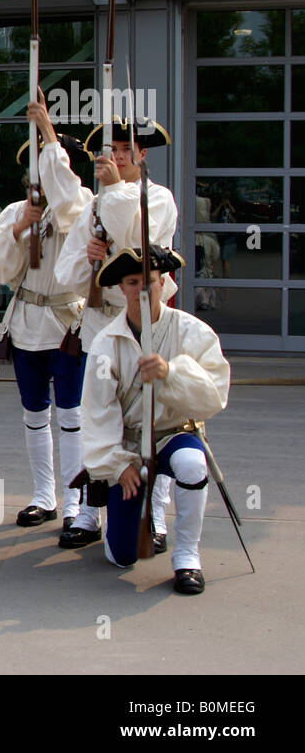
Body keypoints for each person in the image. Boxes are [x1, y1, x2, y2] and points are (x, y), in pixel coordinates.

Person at [56, 116, 177, 549]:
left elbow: (137, 243)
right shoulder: (95, 205)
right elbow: (64, 271)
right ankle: (88, 511)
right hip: (99, 322)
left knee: (152, 416)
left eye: (127, 150)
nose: (118, 157)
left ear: (142, 155)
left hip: (144, 319)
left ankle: (156, 516)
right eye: (113, 150)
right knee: (98, 411)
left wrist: (112, 192)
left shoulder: (158, 198)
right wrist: (89, 259)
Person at [80, 246, 229, 595]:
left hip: (173, 434)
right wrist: (117, 465)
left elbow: (214, 396)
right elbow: (96, 412)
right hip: (129, 445)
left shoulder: (191, 330)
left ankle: (188, 559)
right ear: (122, 289)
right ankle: (127, 520)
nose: (142, 290)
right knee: (122, 556)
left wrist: (171, 373)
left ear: (164, 283)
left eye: (149, 281)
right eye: (133, 282)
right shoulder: (106, 342)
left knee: (193, 465)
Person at [0, 97, 94, 533]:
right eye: (35, 171)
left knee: (71, 416)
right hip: (27, 323)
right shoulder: (17, 210)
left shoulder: (80, 206)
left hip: (67, 325)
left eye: (47, 168)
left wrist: (47, 131)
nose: (40, 179)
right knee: (33, 412)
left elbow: (69, 213)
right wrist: (17, 228)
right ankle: (45, 495)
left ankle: (75, 502)